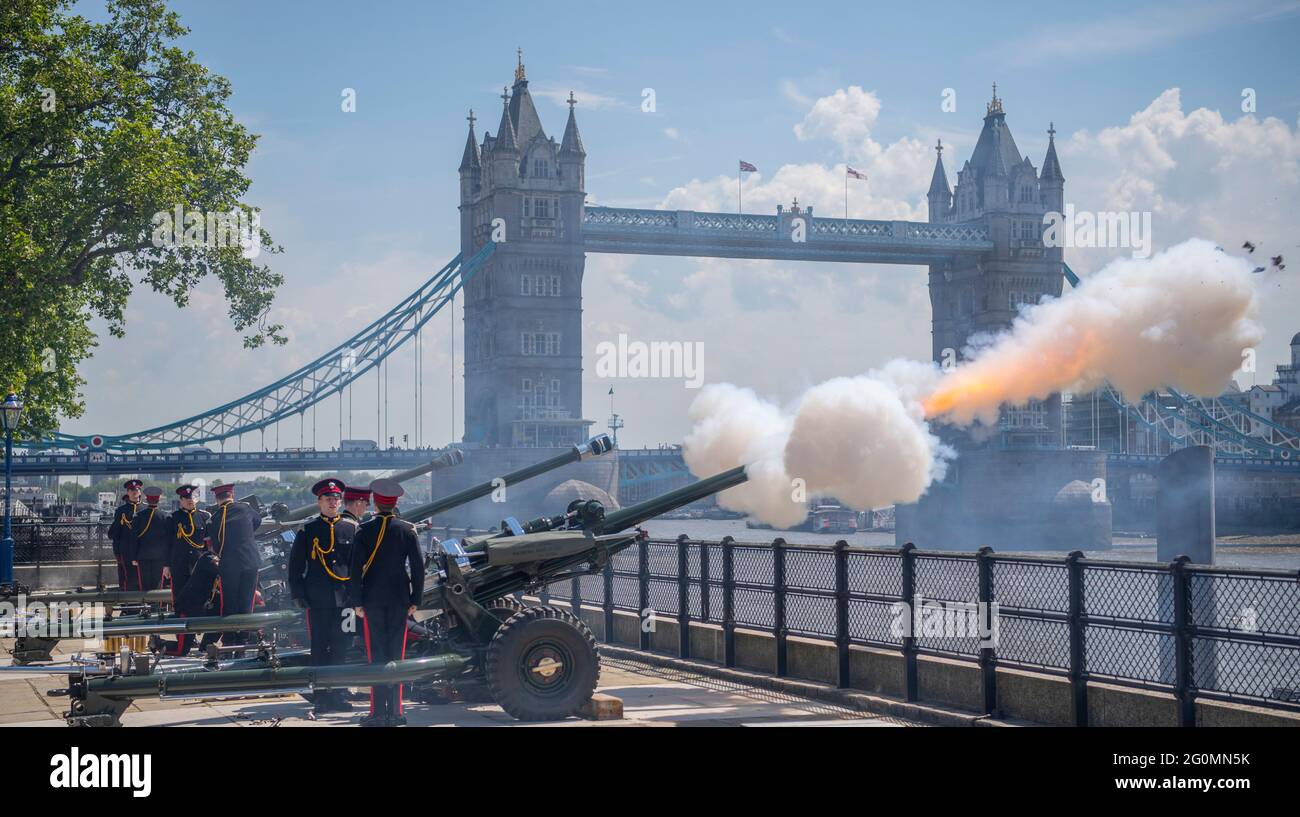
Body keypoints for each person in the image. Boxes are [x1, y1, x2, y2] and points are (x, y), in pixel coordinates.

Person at [348, 478, 423, 727]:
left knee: (376, 656)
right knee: (397, 656)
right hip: (400, 599)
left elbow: (355, 568)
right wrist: (416, 599)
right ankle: (397, 712)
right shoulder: (407, 529)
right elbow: (418, 568)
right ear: (396, 502)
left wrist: (357, 601)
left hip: (371, 600)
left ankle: (378, 713)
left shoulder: (364, 529)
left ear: (376, 502)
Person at [288, 478, 357, 714]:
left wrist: (358, 596)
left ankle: (339, 693)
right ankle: (321, 695)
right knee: (319, 648)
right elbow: (295, 566)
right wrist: (297, 594)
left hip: (345, 600)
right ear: (319, 502)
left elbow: (358, 567)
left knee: (342, 647)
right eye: (328, 499)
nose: (332, 502)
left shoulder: (350, 528)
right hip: (317, 599)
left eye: (336, 499)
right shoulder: (308, 529)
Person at [206, 483, 262, 647]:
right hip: (250, 561)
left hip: (230, 564)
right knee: (246, 603)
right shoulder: (246, 508)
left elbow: (216, 546)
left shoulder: (215, 518)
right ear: (232, 494)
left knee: (230, 604)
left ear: (217, 499)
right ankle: (244, 641)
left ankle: (230, 641)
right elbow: (257, 522)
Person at [165, 485, 210, 655]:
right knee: (181, 602)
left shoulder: (203, 517)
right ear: (181, 501)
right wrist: (166, 565)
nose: (190, 501)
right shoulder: (173, 518)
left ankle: (195, 635)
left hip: (198, 567)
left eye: (192, 498)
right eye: (186, 499)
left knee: (199, 602)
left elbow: (207, 543)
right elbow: (167, 544)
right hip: (180, 566)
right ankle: (183, 638)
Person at [126, 487, 172, 592]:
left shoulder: (138, 516)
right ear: (159, 499)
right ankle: (155, 607)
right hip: (160, 557)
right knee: (158, 585)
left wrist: (133, 557)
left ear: (146, 499)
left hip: (143, 556)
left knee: (145, 586)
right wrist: (167, 562)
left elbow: (133, 539)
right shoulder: (165, 516)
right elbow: (168, 542)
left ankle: (146, 606)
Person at [106, 480, 142, 590]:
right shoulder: (121, 511)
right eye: (132, 490)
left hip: (142, 550)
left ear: (140, 491)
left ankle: (143, 604)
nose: (134, 492)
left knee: (142, 578)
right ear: (128, 492)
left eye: (137, 489)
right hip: (126, 550)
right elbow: (116, 533)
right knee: (127, 578)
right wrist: (117, 551)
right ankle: (128, 604)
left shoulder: (145, 509)